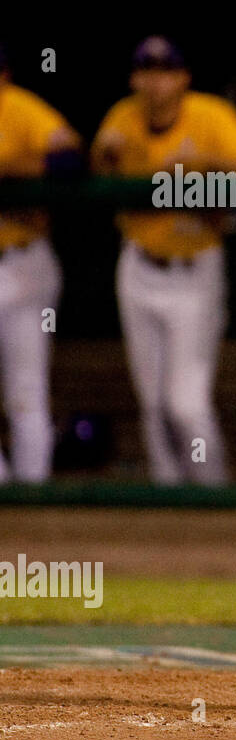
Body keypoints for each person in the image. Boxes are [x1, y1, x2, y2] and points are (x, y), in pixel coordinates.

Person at [91, 36, 236, 485]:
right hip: (139, 266)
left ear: (183, 78)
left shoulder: (208, 115)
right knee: (152, 402)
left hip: (194, 270)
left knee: (185, 403)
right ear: (135, 78)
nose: (155, 82)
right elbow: (98, 165)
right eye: (147, 71)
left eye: (166, 72)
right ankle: (167, 502)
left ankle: (213, 493)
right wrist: (118, 158)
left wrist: (205, 164)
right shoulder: (124, 115)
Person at [0, 45, 81, 483]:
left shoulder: (21, 110)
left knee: (26, 392)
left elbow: (69, 160)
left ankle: (33, 495)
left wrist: (11, 168)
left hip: (21, 262)